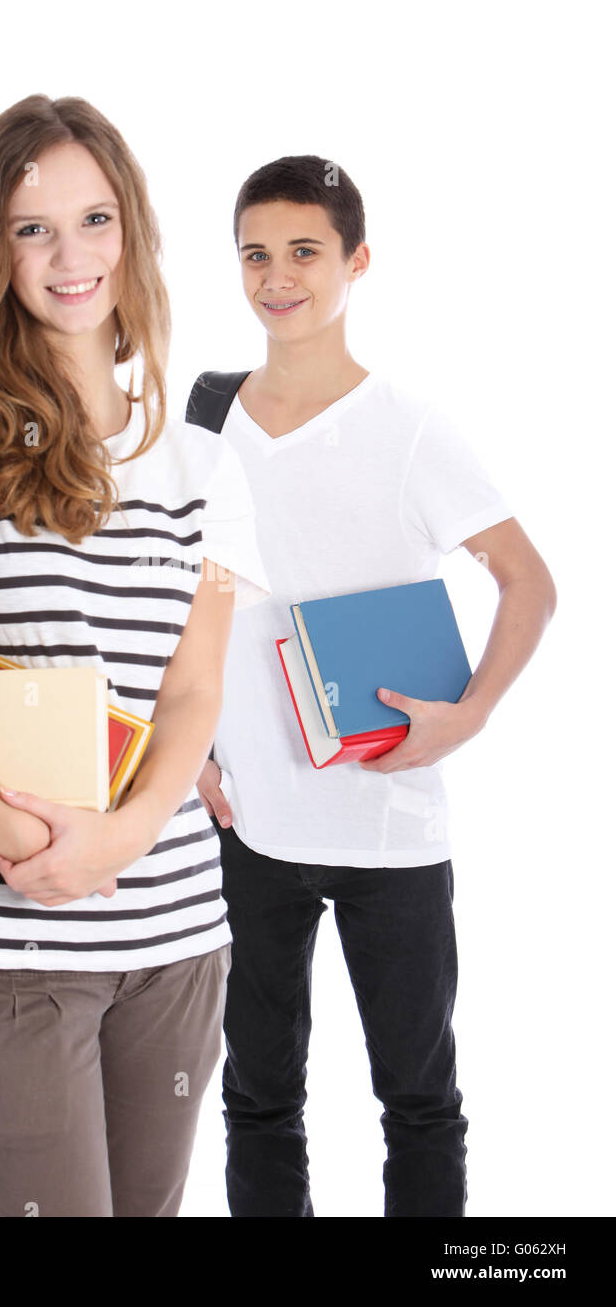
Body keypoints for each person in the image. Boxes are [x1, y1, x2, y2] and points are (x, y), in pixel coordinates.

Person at [0, 94, 270, 1218]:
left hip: (175, 938)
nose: (71, 256)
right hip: (8, 938)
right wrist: (27, 838)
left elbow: (196, 687)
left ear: (133, 233)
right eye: (31, 228)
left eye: (95, 219)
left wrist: (116, 838)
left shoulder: (208, 465)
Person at [188, 155, 557, 1218]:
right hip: (252, 824)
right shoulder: (205, 421)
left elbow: (527, 581)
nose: (275, 276)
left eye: (302, 251)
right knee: (256, 1097)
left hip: (390, 825)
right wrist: (200, 754)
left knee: (418, 1101)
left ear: (356, 261)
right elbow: (196, 601)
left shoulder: (408, 425)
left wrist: (471, 712)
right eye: (254, 253)